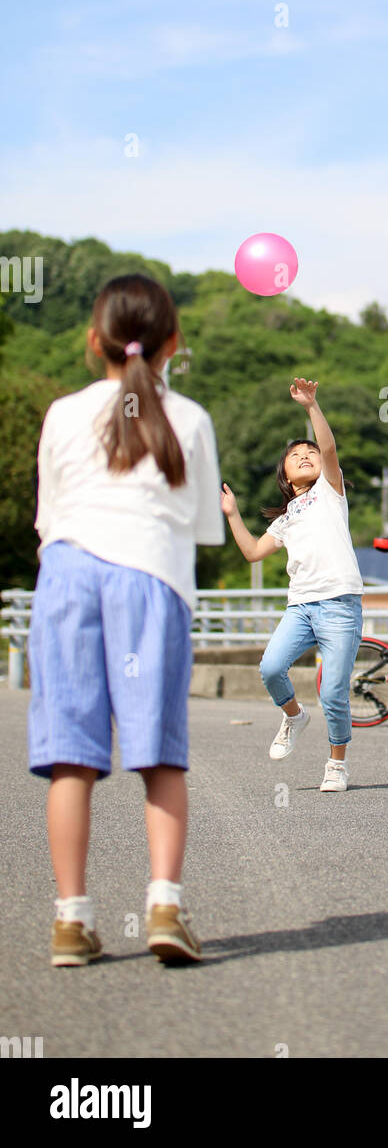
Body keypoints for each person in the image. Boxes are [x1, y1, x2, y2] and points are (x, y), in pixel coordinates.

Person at [28, 274, 224, 966]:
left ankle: (70, 922)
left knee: (71, 761)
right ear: (174, 342)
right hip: (151, 581)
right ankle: (165, 906)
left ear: (93, 341)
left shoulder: (61, 413)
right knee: (159, 757)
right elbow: (204, 530)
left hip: (68, 577)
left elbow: (47, 520)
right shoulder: (191, 419)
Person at [221, 379, 363, 791]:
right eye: (295, 456)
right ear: (284, 473)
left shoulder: (330, 491)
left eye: (310, 453)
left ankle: (337, 762)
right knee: (270, 668)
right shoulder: (285, 519)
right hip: (301, 608)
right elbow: (252, 551)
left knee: (334, 692)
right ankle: (294, 716)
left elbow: (330, 448)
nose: (305, 456)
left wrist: (312, 406)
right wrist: (232, 514)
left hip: (339, 605)